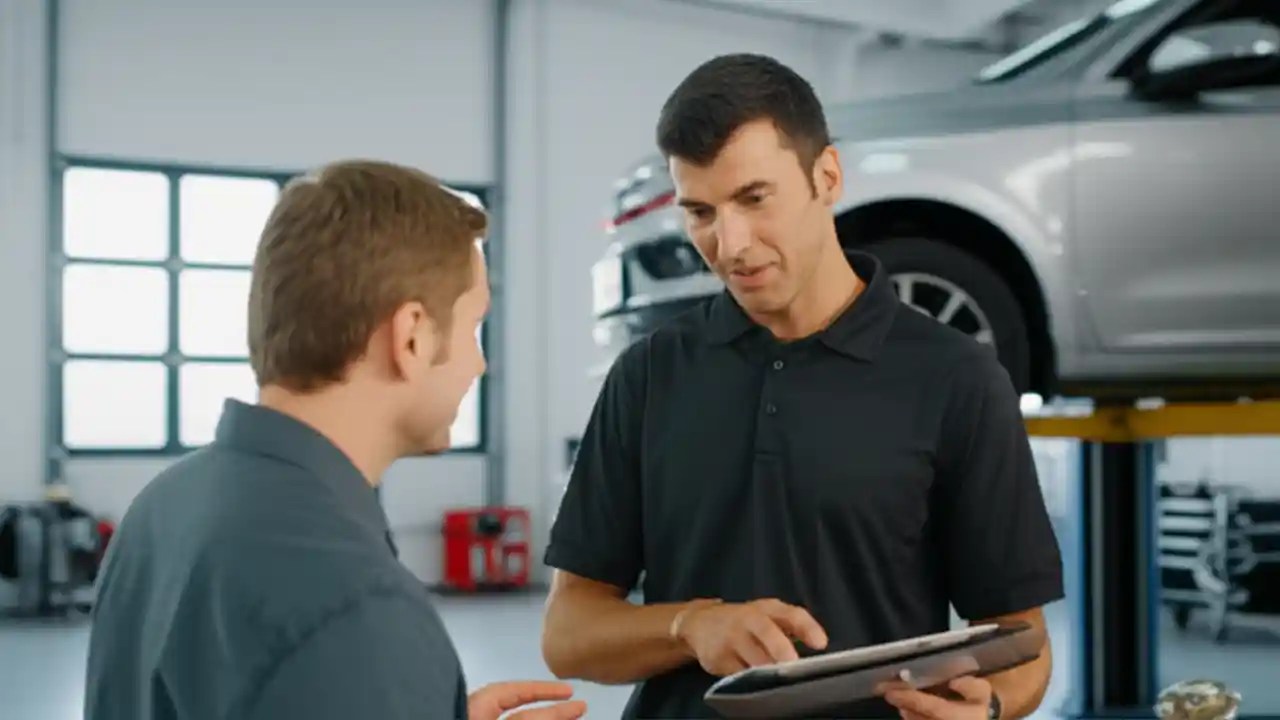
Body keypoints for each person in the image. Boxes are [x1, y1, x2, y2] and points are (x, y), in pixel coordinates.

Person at [541, 54, 1065, 719]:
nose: (729, 245)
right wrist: (690, 625)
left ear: (828, 177)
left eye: (754, 199)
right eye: (700, 212)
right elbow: (569, 634)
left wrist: (987, 707)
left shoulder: (958, 379)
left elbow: (1024, 644)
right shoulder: (648, 375)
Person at [84, 160, 586, 720]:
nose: (479, 363)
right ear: (413, 337)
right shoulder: (353, 601)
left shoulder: (165, 506)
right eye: (473, 328)